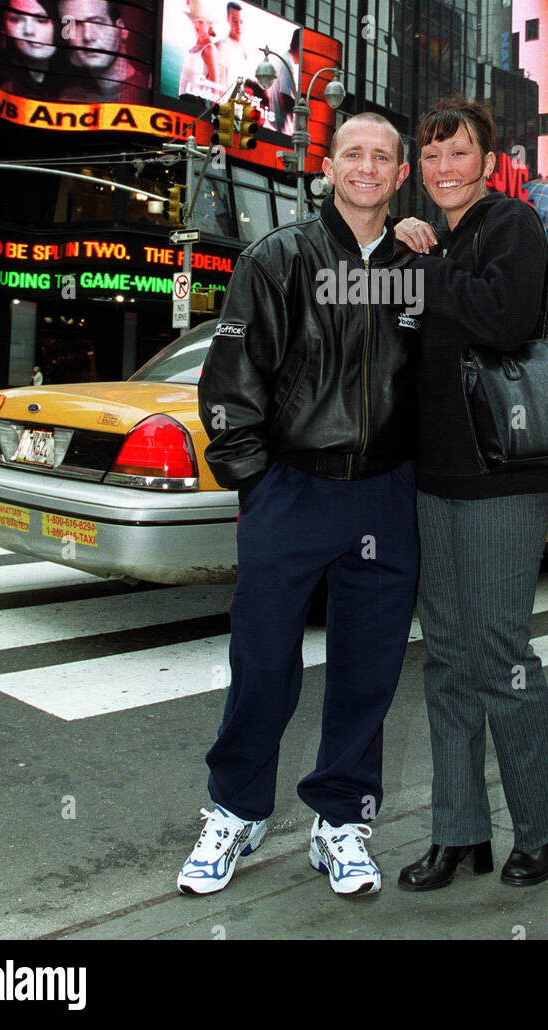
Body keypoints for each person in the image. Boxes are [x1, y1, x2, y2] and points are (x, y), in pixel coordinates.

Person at [179, 112, 421, 898]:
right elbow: (232, 377)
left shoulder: (420, 265)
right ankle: (235, 812)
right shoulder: (276, 256)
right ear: (327, 166)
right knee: (262, 662)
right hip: (290, 488)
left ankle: (341, 820)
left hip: (386, 495)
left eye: (381, 157)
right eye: (352, 153)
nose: (365, 167)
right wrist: (256, 479)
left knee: (369, 669)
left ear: (399, 172)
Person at [394, 96, 548, 892]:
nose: (443, 170)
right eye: (430, 158)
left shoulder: (511, 225)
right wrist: (406, 260)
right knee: (447, 660)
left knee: (502, 658)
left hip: (503, 476)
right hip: (433, 476)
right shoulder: (424, 239)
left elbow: (501, 320)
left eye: (457, 153)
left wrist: (424, 270)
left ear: (487, 159)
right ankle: (458, 833)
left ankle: (542, 828)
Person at [57, 0, 150, 103]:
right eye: (76, 25)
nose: (88, 36)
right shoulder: (70, 98)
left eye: (97, 22)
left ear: (121, 29)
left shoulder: (147, 93)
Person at [0, 0, 60, 99]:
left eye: (41, 20)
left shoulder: (75, 85)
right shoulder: (1, 87)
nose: (29, 31)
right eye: (16, 20)